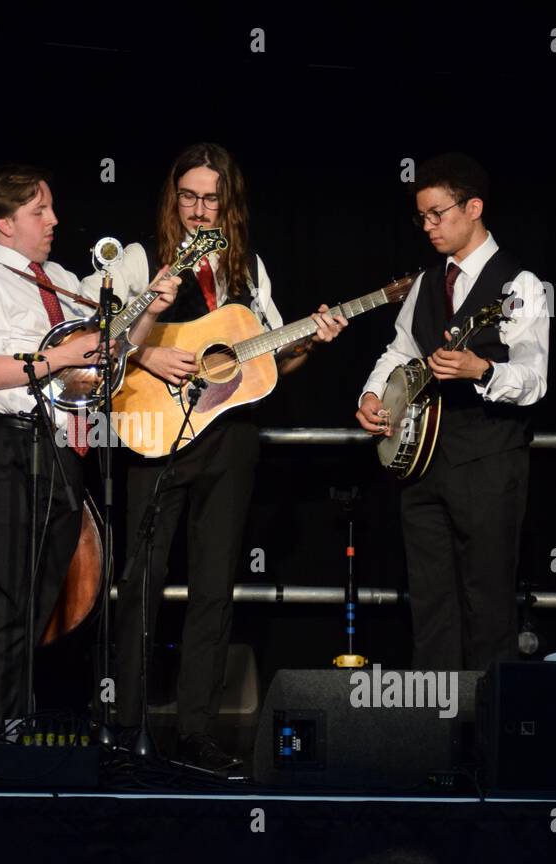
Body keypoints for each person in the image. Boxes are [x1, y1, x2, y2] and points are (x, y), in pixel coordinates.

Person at [91, 143, 346, 773]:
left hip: (229, 436)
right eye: (188, 197)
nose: (199, 210)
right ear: (171, 198)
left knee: (213, 586)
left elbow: (272, 358)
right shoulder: (137, 258)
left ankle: (196, 731)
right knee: (141, 578)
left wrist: (312, 341)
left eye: (211, 198)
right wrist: (147, 355)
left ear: (227, 202)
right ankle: (126, 725)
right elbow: (102, 340)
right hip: (154, 426)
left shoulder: (247, 268)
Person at [0, 165, 178, 744]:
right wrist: (58, 360)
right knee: (13, 592)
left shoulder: (53, 276)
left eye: (51, 207)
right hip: (9, 445)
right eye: (39, 212)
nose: (54, 220)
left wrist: (149, 310)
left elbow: (104, 352)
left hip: (59, 446)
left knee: (42, 596)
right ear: (4, 223)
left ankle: (16, 721)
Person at [356, 152, 549, 670]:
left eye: (438, 214)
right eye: (421, 217)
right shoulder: (425, 281)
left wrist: (481, 371)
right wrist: (372, 397)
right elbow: (399, 350)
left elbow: (533, 379)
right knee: (431, 605)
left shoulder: (519, 284)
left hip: (488, 461)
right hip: (421, 464)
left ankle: (490, 738)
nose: (429, 227)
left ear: (474, 207)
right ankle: (434, 736)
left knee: (486, 603)